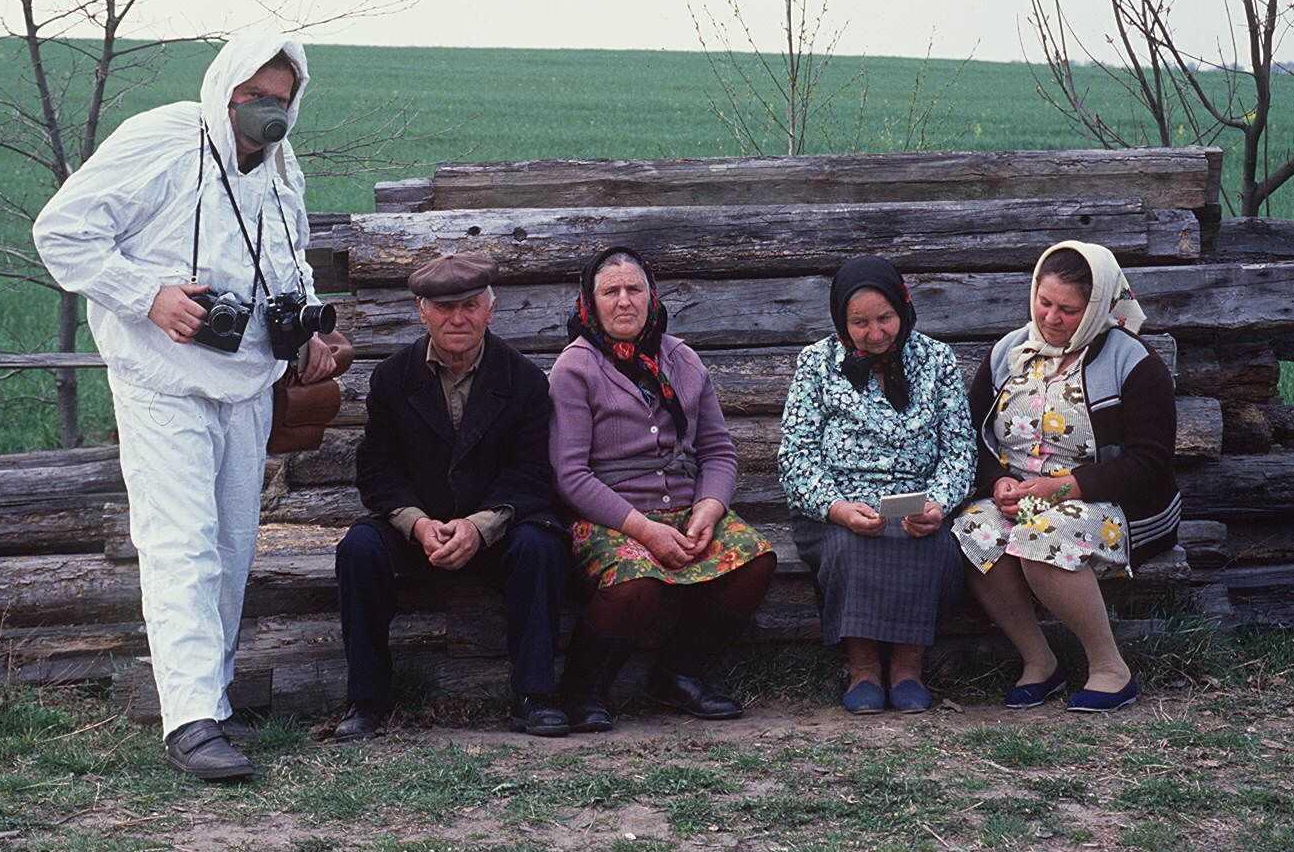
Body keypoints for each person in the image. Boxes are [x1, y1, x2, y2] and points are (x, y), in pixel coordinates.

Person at [33, 35, 335, 779]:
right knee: (182, 544)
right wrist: (150, 296)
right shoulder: (162, 139)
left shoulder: (281, 164)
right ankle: (190, 722)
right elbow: (60, 233)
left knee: (232, 546)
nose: (268, 111)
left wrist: (307, 327)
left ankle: (215, 701)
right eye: (254, 96)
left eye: (281, 97)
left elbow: (288, 253)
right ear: (225, 88)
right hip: (162, 379)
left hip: (246, 380)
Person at [333, 252, 571, 740]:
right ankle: (367, 700)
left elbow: (531, 474)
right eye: (443, 308)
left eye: (469, 305)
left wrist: (479, 526)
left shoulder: (523, 380)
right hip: (418, 529)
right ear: (421, 310)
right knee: (358, 549)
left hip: (496, 530)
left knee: (541, 546)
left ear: (490, 307)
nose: (457, 318)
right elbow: (377, 470)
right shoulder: (393, 378)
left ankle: (535, 696)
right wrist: (417, 524)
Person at [548, 246, 775, 732]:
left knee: (755, 560)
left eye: (635, 289)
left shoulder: (682, 358)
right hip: (612, 516)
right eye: (611, 291)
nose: (624, 301)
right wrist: (645, 532)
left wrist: (709, 509)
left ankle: (679, 673)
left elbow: (717, 450)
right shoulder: (576, 368)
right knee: (635, 583)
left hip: (685, 511)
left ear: (653, 296)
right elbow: (570, 475)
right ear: (589, 302)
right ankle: (583, 687)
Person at [952, 240, 1179, 713]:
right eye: (1044, 302)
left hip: (1114, 504)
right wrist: (998, 482)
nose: (1051, 318)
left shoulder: (1133, 364)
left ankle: (1110, 668)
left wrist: (1062, 487)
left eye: (1069, 310)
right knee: (974, 531)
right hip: (1020, 496)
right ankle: (1040, 662)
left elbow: (1149, 464)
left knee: (1044, 536)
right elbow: (970, 436)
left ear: (1098, 309)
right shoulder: (1008, 353)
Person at [778, 256, 975, 714]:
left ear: (903, 310)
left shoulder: (936, 360)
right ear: (841, 321)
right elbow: (796, 457)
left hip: (918, 503)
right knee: (852, 543)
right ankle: (863, 668)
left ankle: (908, 668)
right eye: (860, 322)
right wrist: (836, 506)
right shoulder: (817, 364)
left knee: (925, 541)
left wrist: (939, 504)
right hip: (834, 508)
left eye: (885, 318)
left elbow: (961, 451)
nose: (876, 333)